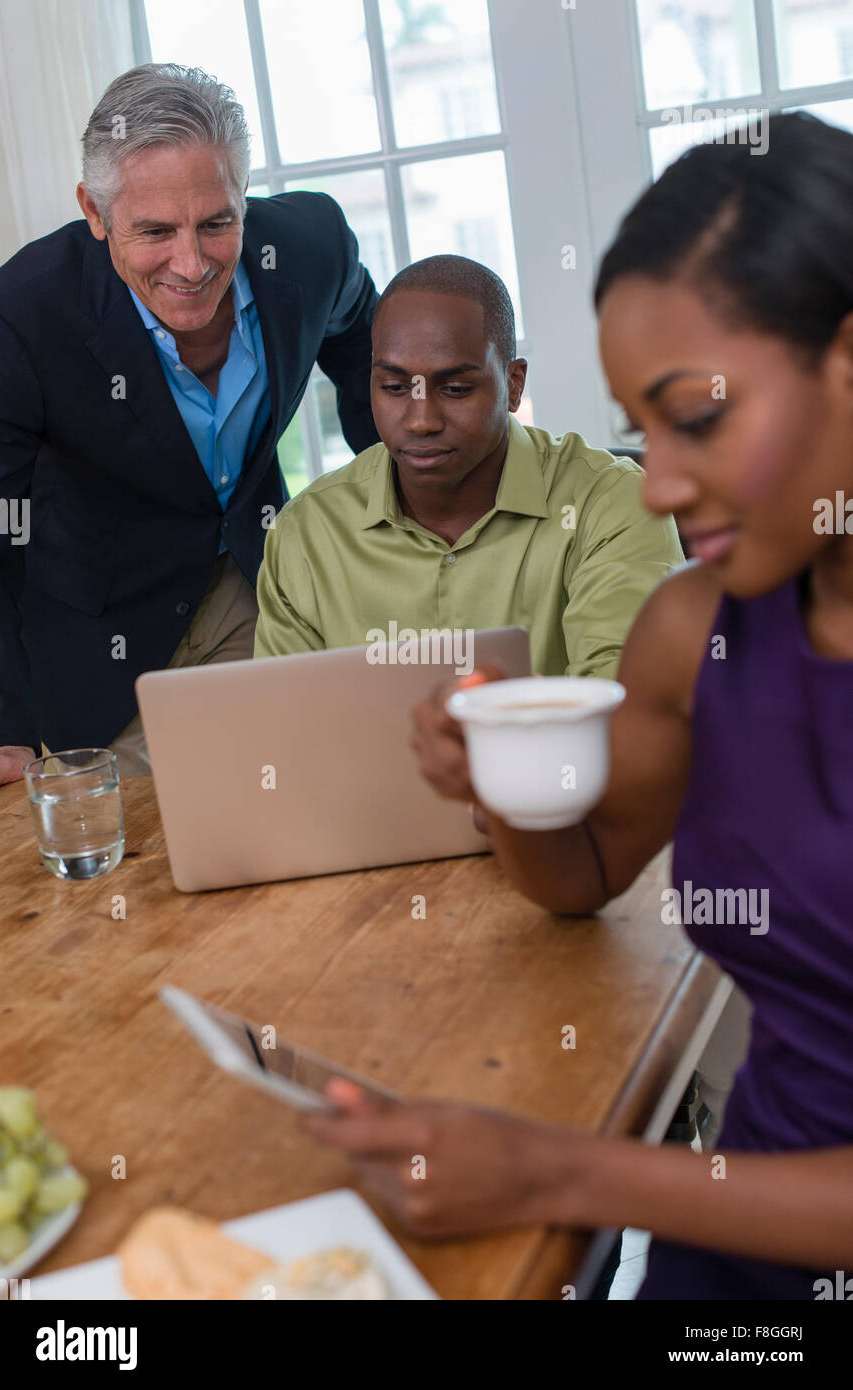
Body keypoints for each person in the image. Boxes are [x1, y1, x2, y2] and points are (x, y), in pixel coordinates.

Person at [303, 113, 853, 1298]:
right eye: (637, 429)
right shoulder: (697, 628)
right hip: (736, 1235)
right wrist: (506, 778)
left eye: (696, 417)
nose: (655, 482)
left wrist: (562, 1174)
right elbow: (586, 875)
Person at [0, 63, 378, 793]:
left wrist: (401, 504)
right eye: (155, 231)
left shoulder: (308, 246)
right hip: (104, 642)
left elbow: (367, 349)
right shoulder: (18, 319)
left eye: (217, 223)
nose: (193, 264)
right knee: (138, 874)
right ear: (95, 213)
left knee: (305, 804)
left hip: (257, 590)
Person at [254, 255, 683, 675]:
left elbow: (628, 706)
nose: (421, 420)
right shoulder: (305, 534)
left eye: (456, 388)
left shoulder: (611, 505)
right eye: (394, 386)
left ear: (514, 386)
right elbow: (287, 726)